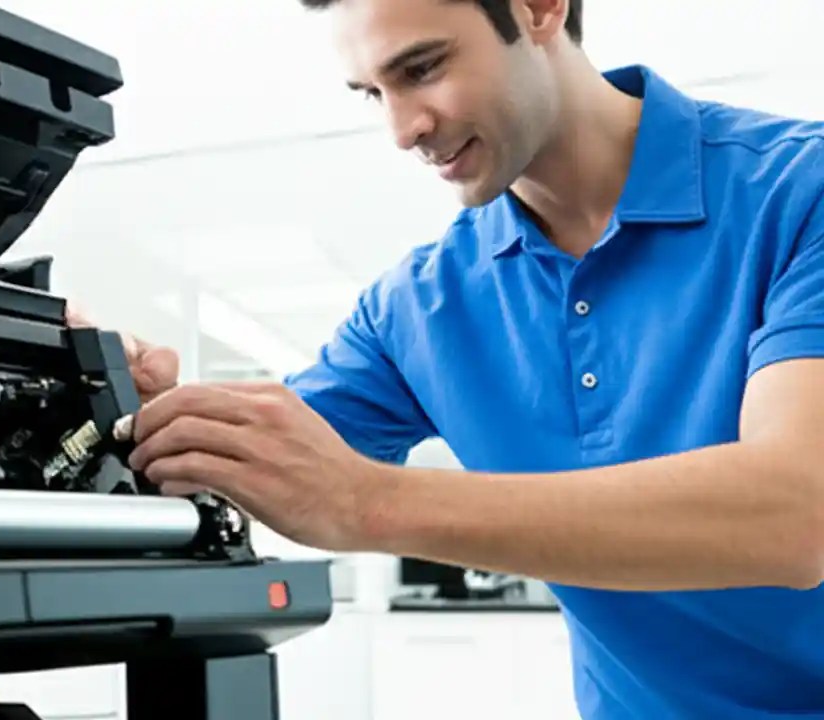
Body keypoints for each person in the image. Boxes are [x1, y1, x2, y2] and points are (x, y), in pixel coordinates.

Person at [69, 0, 824, 716]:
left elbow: (799, 515)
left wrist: (366, 502)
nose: (402, 129)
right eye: (373, 94)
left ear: (539, 8)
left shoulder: (800, 193)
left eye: (423, 68)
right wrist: (121, 400)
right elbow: (263, 472)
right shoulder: (418, 306)